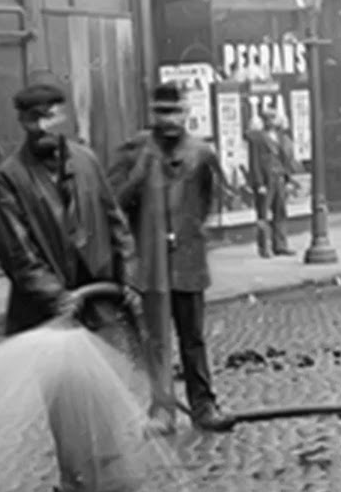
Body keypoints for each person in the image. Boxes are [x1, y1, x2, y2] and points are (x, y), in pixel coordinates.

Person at [0, 79, 142, 492]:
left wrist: (127, 278)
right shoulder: (10, 177)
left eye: (47, 116)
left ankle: (112, 471)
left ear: (63, 116)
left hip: (100, 302)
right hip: (49, 311)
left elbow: (116, 224)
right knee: (66, 399)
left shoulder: (87, 161)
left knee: (105, 384)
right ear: (21, 122)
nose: (39, 127)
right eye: (30, 119)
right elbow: (17, 252)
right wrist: (55, 295)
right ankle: (76, 478)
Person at [108, 81, 235, 436]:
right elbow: (113, 202)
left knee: (193, 338)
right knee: (157, 340)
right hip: (151, 263)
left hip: (188, 260)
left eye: (175, 111)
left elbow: (208, 200)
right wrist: (139, 172)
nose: (168, 120)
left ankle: (203, 405)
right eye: (161, 112)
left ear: (186, 112)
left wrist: (190, 232)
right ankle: (162, 410)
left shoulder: (201, 153)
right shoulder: (133, 151)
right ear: (151, 113)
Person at [244, 104, 298, 258]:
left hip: (279, 178)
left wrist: (287, 178)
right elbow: (254, 162)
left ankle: (281, 245)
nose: (272, 121)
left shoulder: (281, 137)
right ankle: (264, 248)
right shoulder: (258, 138)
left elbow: (284, 159)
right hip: (266, 181)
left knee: (280, 212)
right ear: (264, 120)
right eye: (268, 118)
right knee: (263, 214)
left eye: (274, 118)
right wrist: (259, 183)